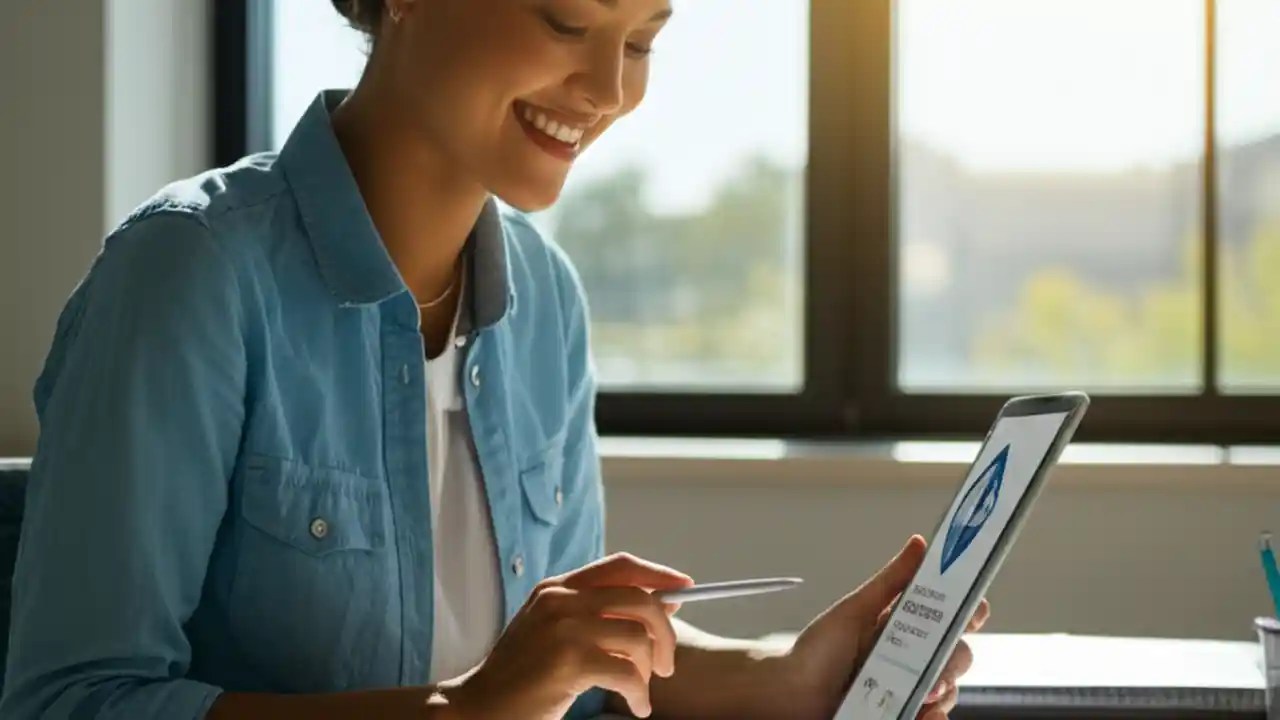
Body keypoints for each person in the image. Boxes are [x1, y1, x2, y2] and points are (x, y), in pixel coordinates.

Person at [0, 1, 989, 718]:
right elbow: (73, 701)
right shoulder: (191, 273)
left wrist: (791, 678)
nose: (608, 90)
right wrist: (464, 711)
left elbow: (570, 680)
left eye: (641, 40)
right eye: (566, 22)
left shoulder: (543, 299)